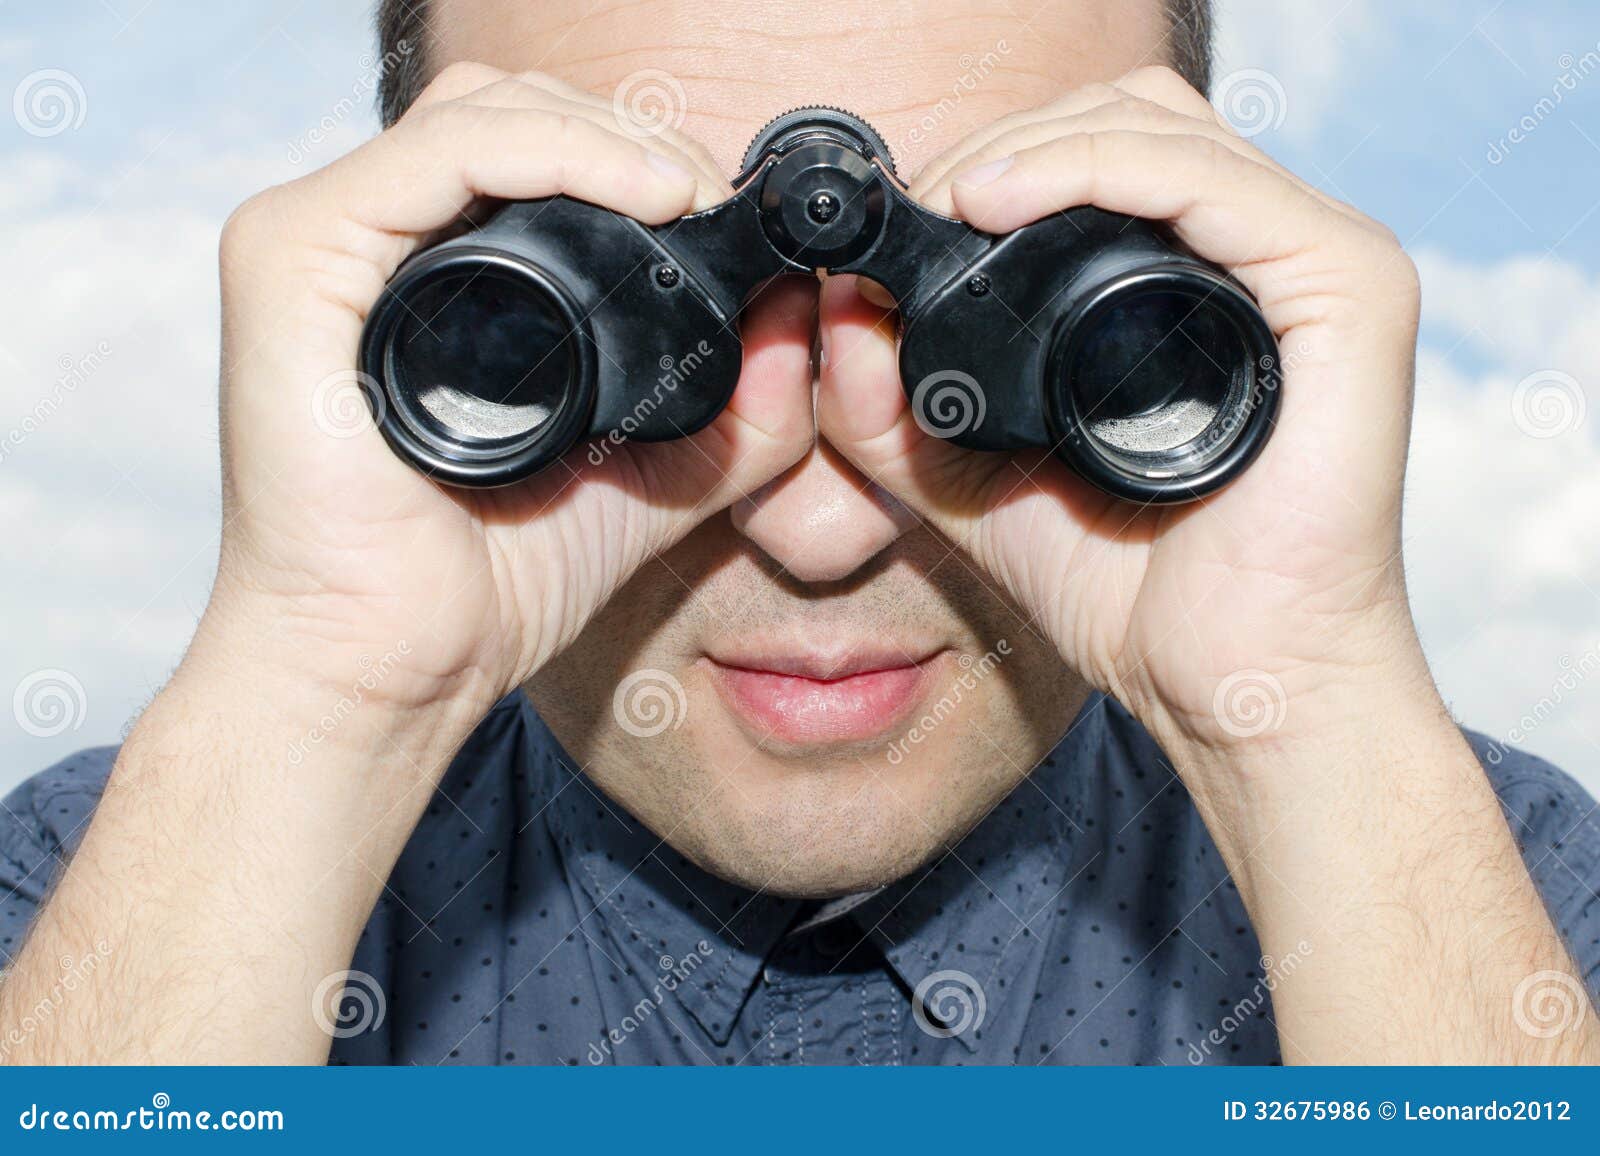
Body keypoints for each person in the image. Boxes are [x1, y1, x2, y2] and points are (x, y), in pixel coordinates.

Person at [1, 0, 1596, 1066]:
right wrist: (323, 694)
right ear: (412, 304)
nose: (827, 528)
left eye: (1010, 282)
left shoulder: (1516, 910)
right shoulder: (91, 902)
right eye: (622, 301)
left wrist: (1304, 712)